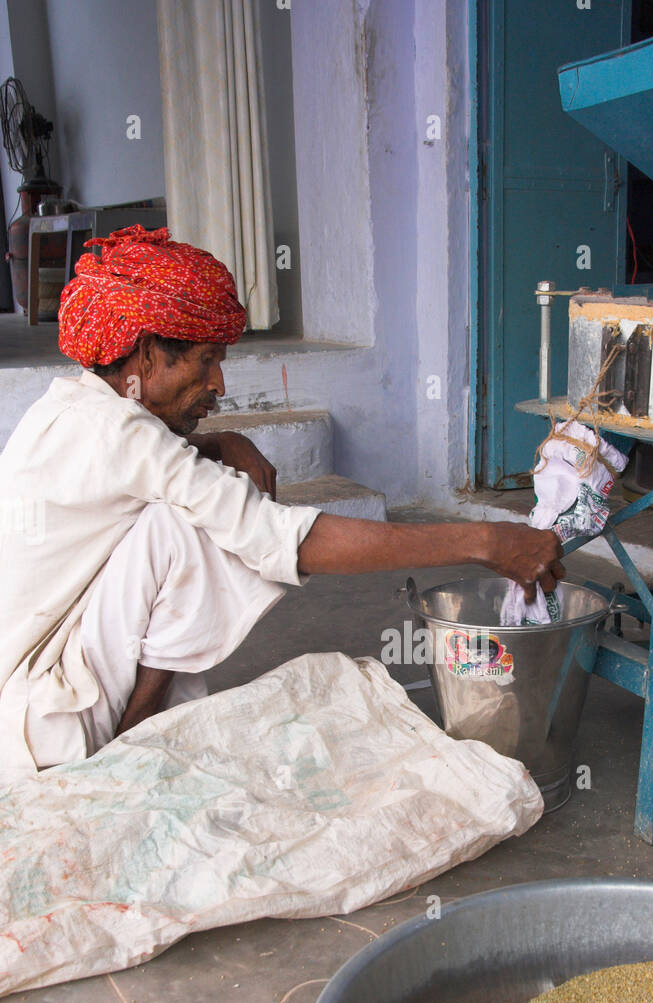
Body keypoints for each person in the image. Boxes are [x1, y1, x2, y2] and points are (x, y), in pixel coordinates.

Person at [0, 225, 563, 778]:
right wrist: (487, 541)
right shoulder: (125, 436)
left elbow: (140, 463)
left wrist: (223, 440)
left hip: (30, 700)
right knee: (190, 525)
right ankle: (127, 746)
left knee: (182, 512)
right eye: (206, 360)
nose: (219, 384)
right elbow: (280, 538)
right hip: (44, 727)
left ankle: (135, 731)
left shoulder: (72, 407)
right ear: (148, 354)